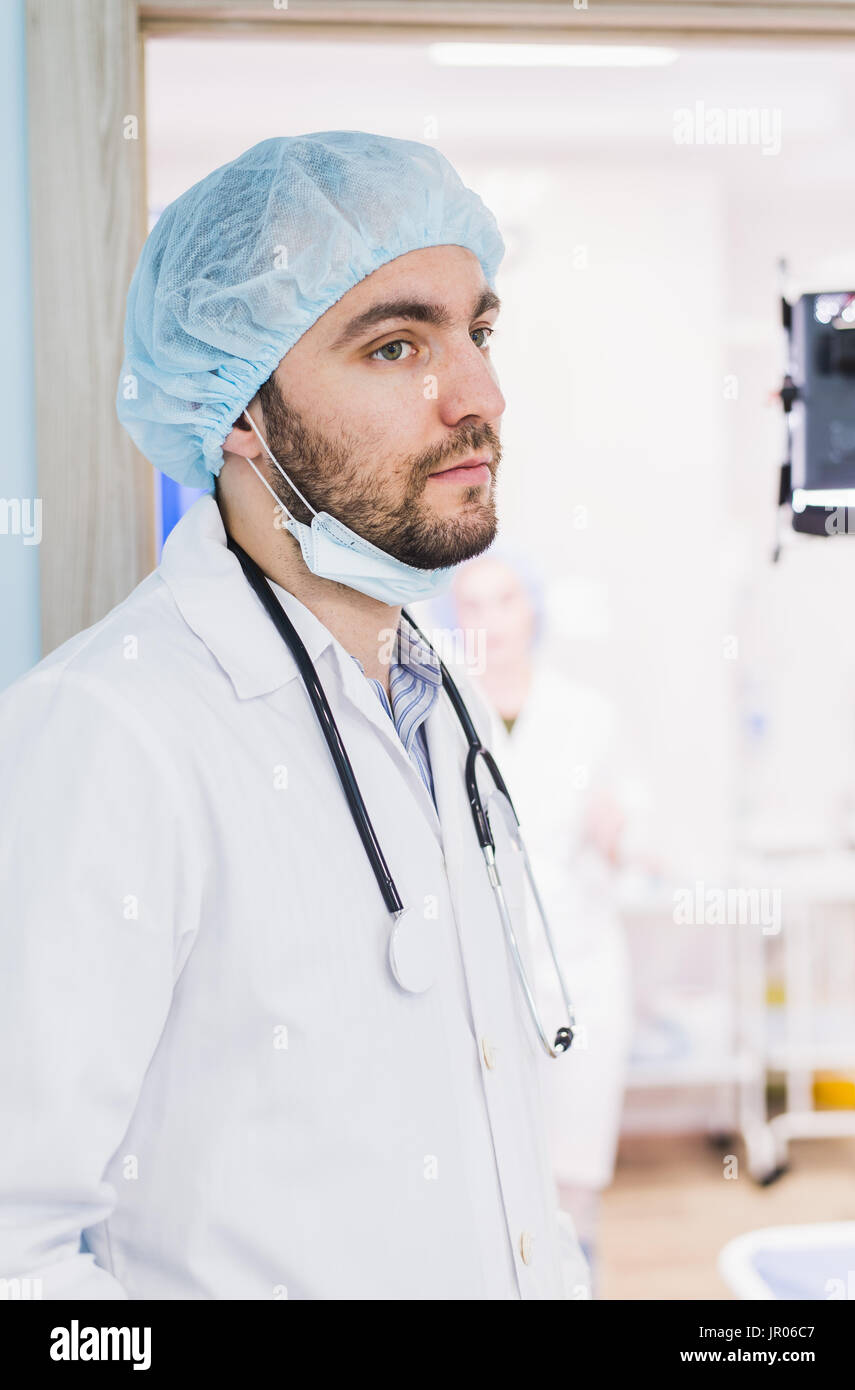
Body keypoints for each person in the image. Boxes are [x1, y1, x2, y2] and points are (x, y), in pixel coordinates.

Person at [0, 134, 589, 1300]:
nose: (478, 395)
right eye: (395, 344)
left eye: (477, 330)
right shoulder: (108, 735)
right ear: (237, 413)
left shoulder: (440, 696)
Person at [429, 544, 634, 1279]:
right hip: (480, 978)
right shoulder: (436, 708)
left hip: (577, 968)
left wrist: (624, 835)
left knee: (575, 1184)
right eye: (472, 605)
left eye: (505, 601)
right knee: (498, 1182)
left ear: (533, 611)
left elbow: (629, 836)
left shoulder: (589, 715)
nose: (490, 620)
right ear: (453, 618)